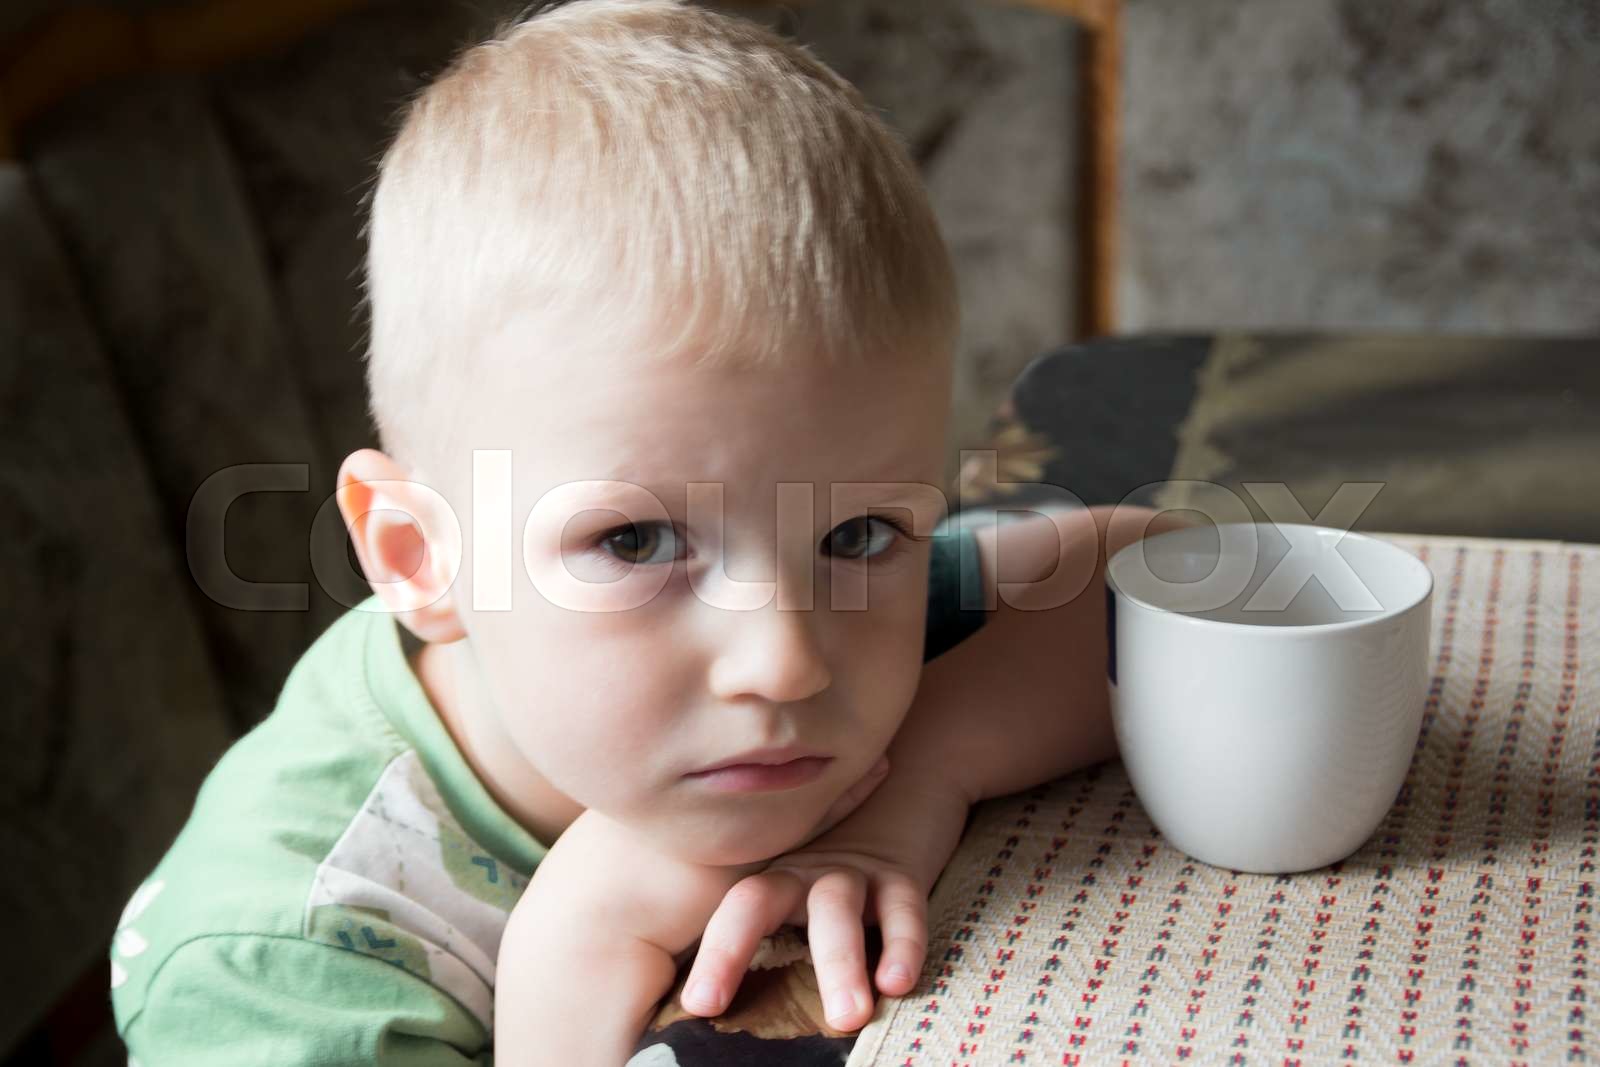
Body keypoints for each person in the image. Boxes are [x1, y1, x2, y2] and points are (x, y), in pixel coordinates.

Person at [109, 1, 1174, 1062]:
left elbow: (1159, 574)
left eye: (857, 532)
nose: (785, 659)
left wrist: (913, 784)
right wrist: (567, 958)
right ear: (418, 555)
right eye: (634, 544)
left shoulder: (813, 608)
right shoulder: (281, 969)